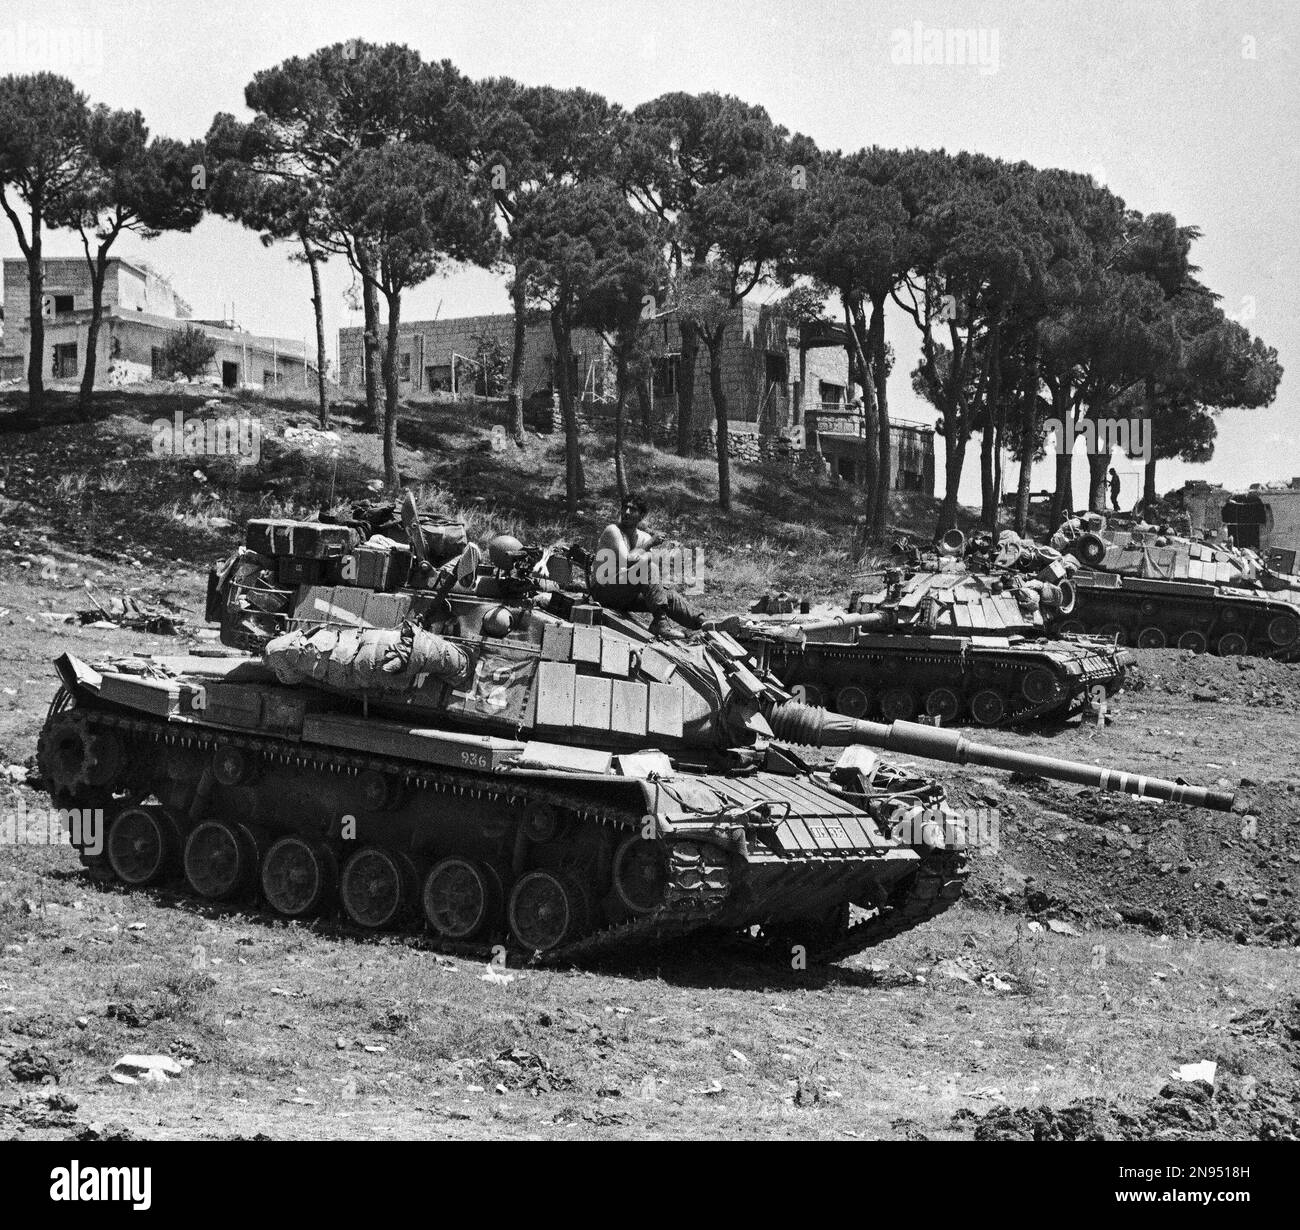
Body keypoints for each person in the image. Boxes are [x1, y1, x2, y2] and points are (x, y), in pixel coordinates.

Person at [588, 495, 705, 638]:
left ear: (641, 516)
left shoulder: (643, 537)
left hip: (626, 594)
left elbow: (646, 565)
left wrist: (646, 550)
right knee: (648, 568)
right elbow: (629, 560)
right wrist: (650, 544)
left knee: (669, 596)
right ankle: (660, 623)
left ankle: (702, 623)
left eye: (633, 509)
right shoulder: (613, 531)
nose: (627, 512)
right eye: (625, 507)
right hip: (603, 591)